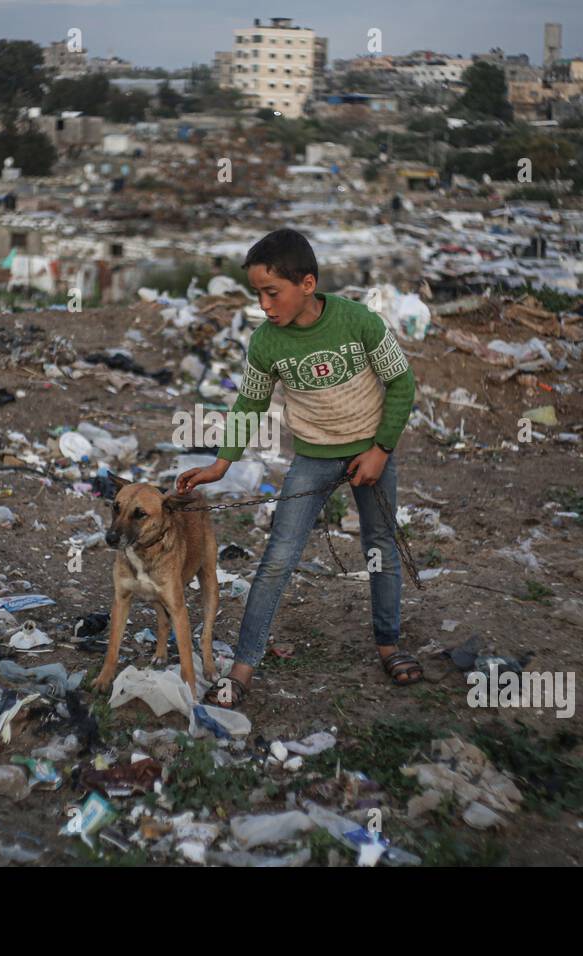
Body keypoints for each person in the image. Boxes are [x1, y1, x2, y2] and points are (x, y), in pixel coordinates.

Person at [177, 228, 417, 709]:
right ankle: (243, 667)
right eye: (257, 295)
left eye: (272, 292)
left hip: (370, 453)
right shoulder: (266, 342)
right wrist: (222, 464)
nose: (265, 305)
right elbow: (248, 403)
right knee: (278, 559)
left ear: (307, 284)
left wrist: (380, 451)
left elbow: (402, 384)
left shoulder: (360, 322)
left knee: (380, 548)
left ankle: (389, 645)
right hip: (313, 457)